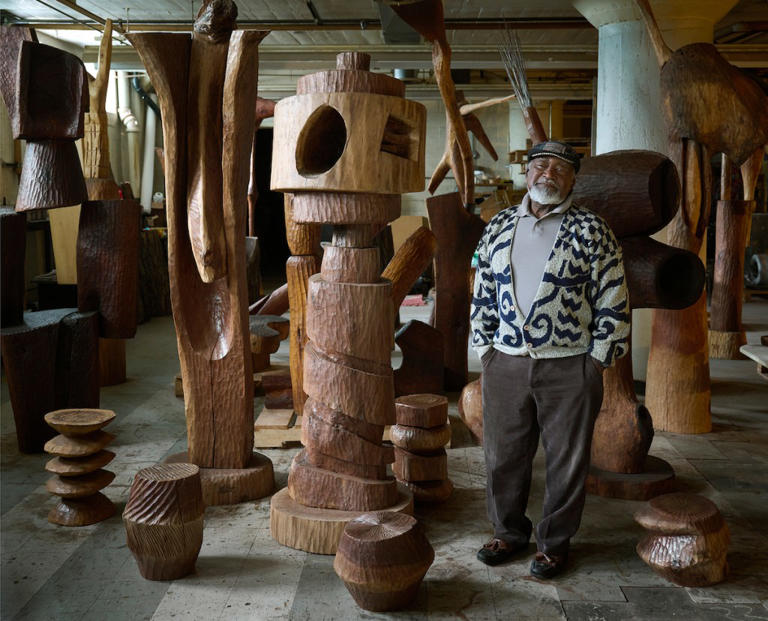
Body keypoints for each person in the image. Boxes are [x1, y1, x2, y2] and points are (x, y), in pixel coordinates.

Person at [470, 140, 630, 578]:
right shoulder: (499, 225)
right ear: (527, 172)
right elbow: (482, 288)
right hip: (504, 362)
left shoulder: (592, 229)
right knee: (503, 454)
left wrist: (596, 360)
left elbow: (614, 295)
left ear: (573, 179)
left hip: (570, 364)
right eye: (541, 165)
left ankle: (554, 543)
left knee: (566, 459)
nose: (548, 174)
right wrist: (483, 348)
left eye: (560, 168)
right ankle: (508, 532)